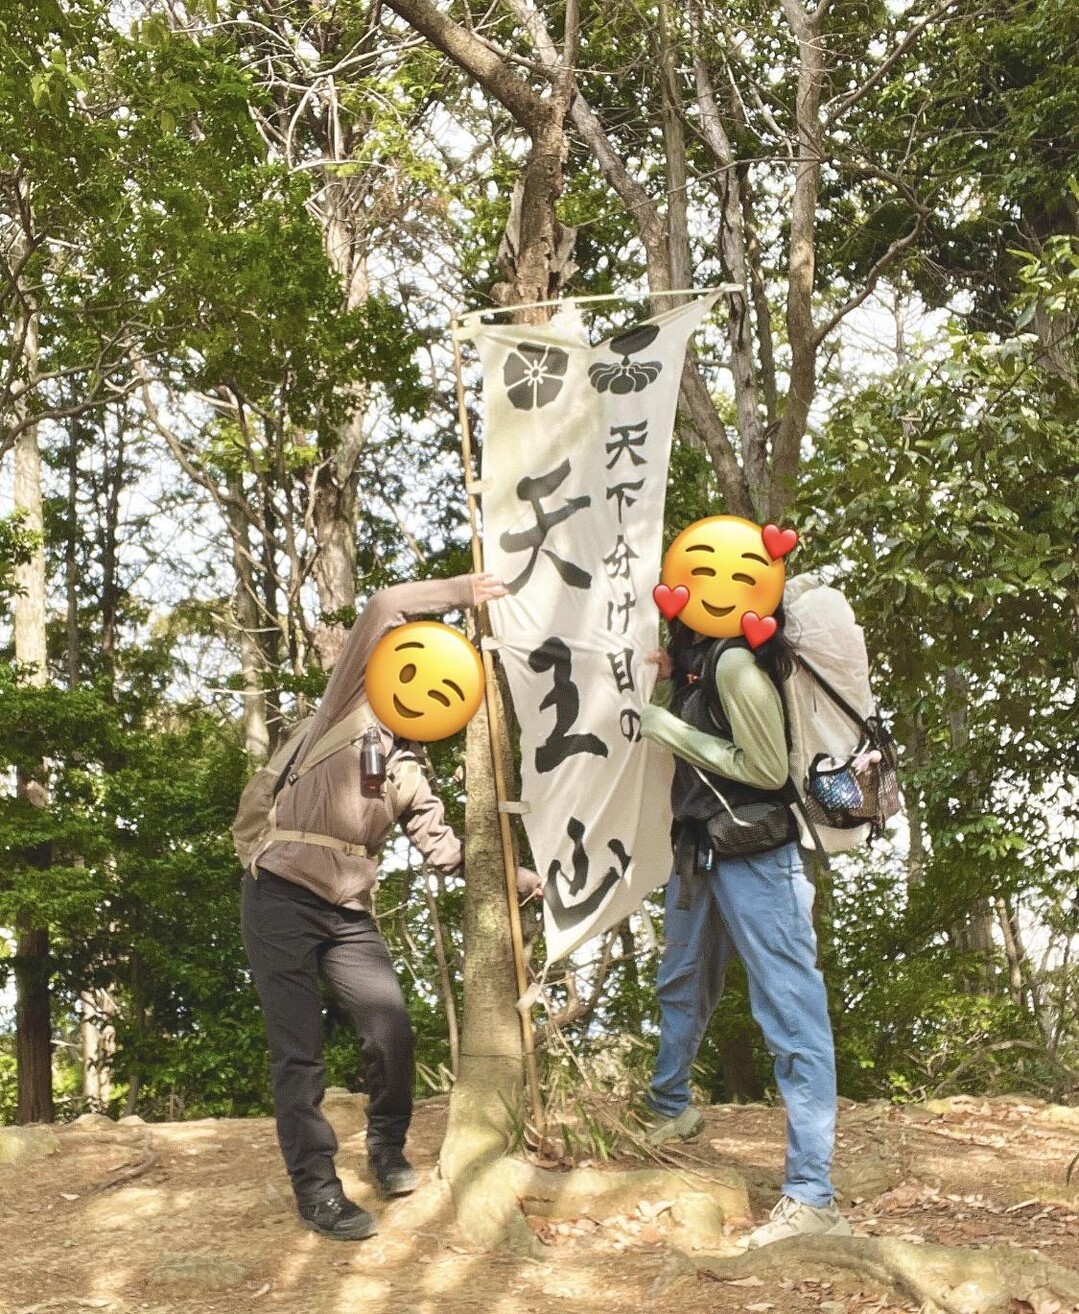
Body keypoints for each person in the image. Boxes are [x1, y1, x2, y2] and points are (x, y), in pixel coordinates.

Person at [242, 571, 532, 1242]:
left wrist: (515, 878)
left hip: (347, 910)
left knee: (390, 1030)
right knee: (299, 1053)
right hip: (278, 892)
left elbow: (445, 850)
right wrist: (466, 589)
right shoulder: (347, 705)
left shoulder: (408, 770)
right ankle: (317, 1193)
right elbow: (384, 604)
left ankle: (385, 1151)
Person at [638, 611, 851, 1248]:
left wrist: (666, 725)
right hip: (700, 850)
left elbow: (763, 770)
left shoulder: (733, 662)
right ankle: (669, 1108)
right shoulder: (699, 661)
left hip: (758, 856)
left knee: (791, 1013)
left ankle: (813, 1196)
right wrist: (670, 683)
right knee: (681, 980)